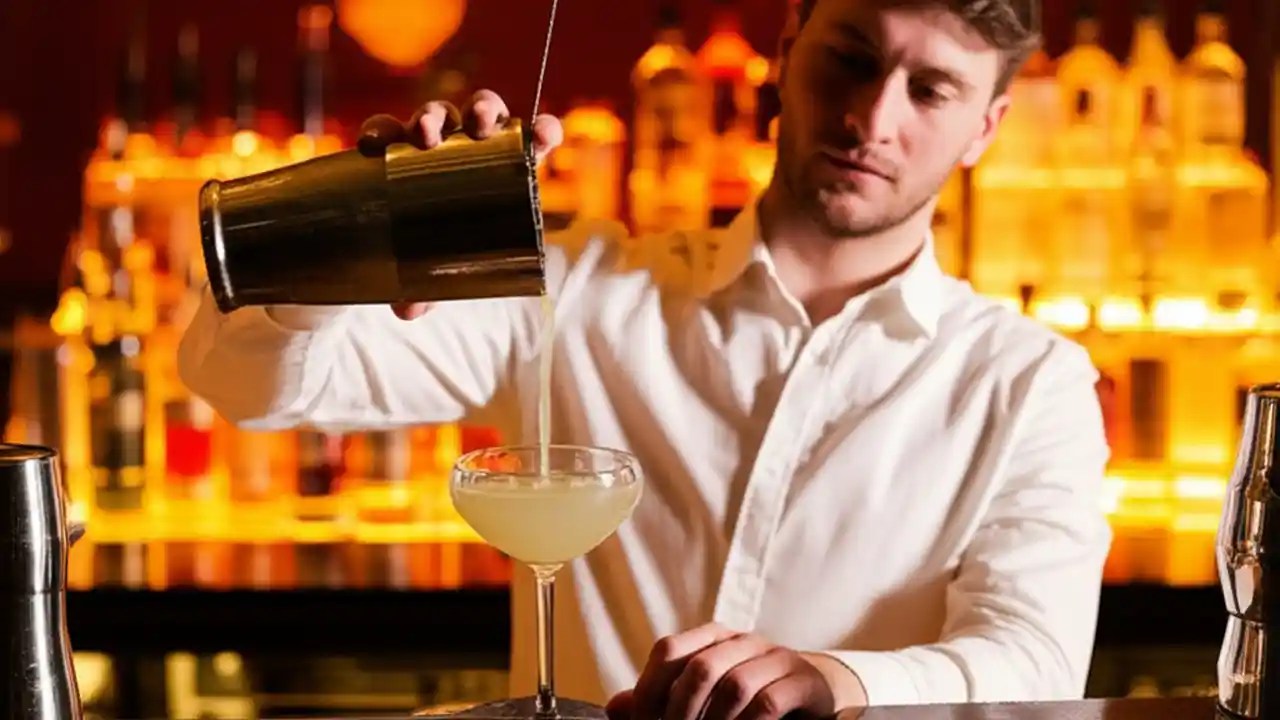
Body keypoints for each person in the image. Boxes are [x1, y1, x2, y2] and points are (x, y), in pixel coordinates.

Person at [179, 0, 1112, 717]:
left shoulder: (1029, 385)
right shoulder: (577, 286)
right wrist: (364, 226)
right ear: (787, 58)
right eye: (852, 59)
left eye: (931, 89)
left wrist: (831, 681)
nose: (874, 115)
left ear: (987, 127)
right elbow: (250, 386)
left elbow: (1037, 663)